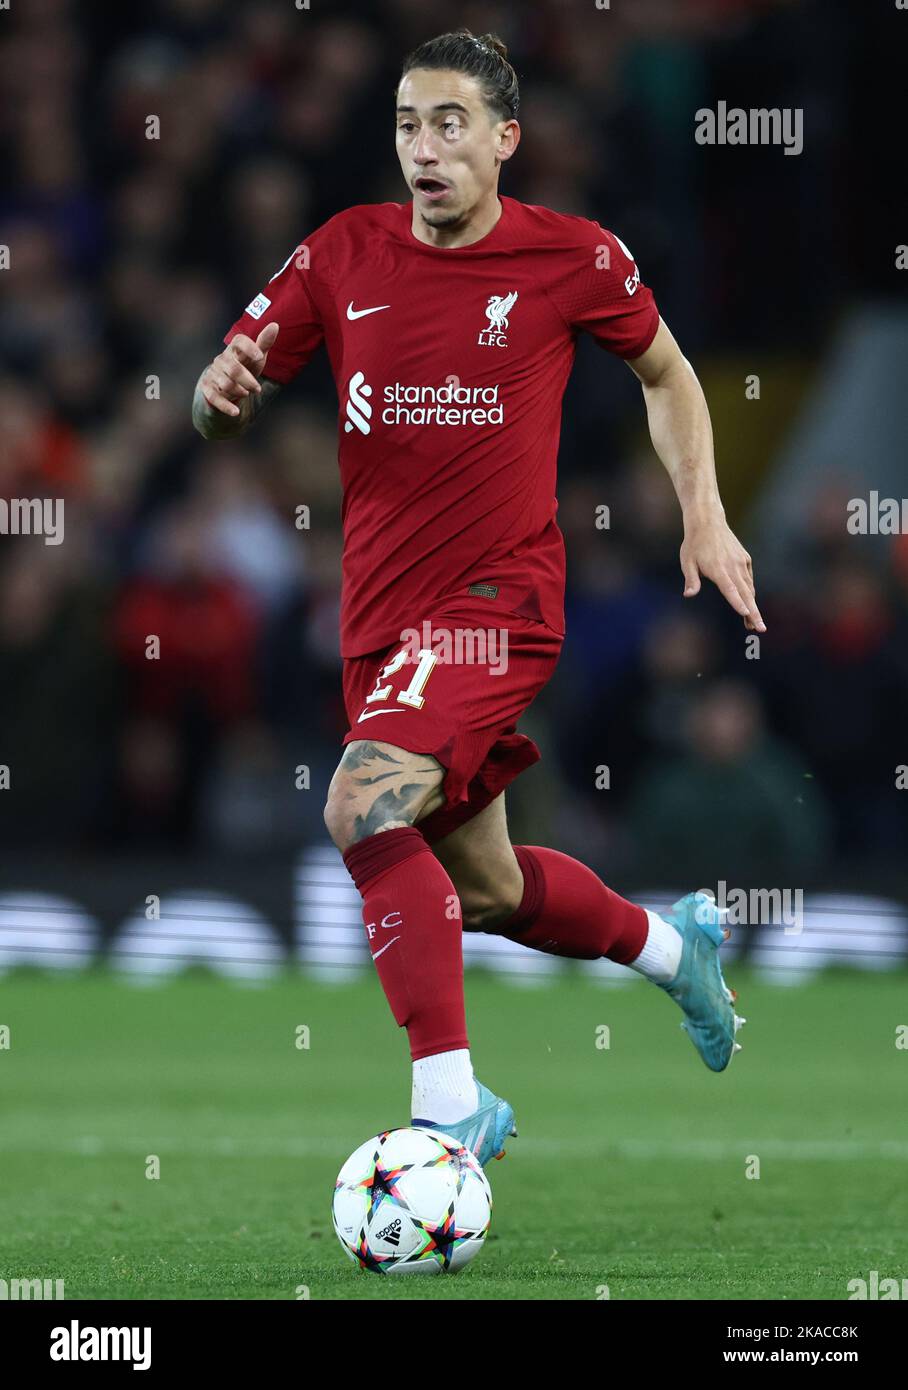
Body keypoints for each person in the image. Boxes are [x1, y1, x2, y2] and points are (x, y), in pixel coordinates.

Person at [193, 29, 759, 1166]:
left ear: (505, 140)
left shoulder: (573, 260)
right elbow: (223, 402)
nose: (424, 147)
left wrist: (700, 510)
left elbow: (669, 373)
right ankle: (668, 943)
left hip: (497, 602)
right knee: (489, 890)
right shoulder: (341, 254)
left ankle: (448, 1103)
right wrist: (219, 397)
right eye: (406, 123)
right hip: (377, 622)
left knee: (359, 807)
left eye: (449, 123)